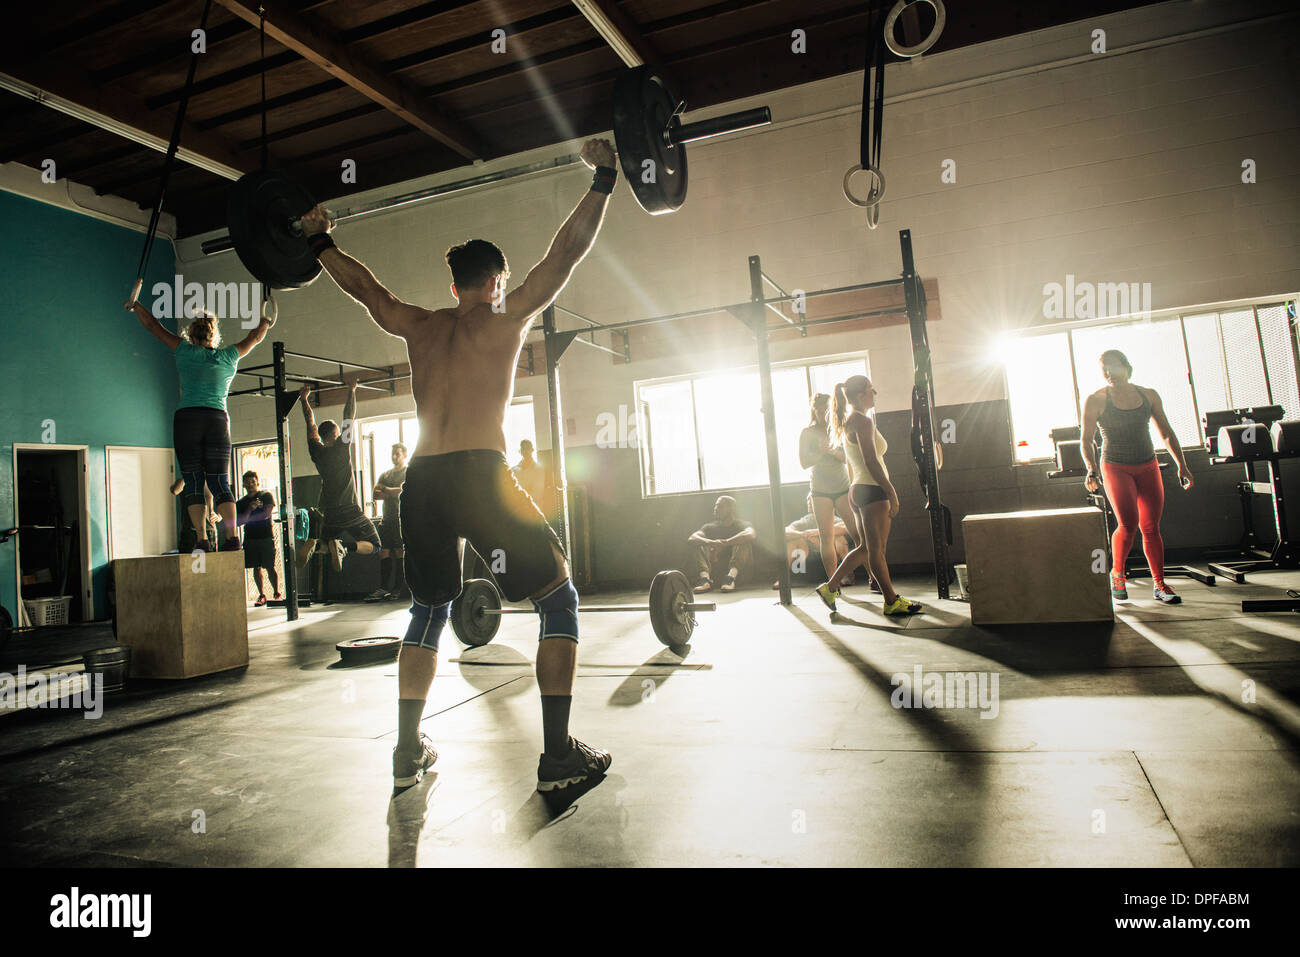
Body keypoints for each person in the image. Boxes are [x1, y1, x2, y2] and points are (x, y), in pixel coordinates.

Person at [296, 137, 618, 792]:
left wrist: (318, 240)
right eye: (503, 282)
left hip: (421, 480)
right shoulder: (506, 320)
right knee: (559, 598)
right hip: (479, 471)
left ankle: (407, 749)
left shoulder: (419, 324)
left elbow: (366, 290)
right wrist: (605, 177)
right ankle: (558, 757)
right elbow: (565, 254)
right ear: (496, 281)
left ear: (452, 285)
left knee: (428, 609)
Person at [127, 299, 272, 550]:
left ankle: (202, 540)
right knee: (219, 481)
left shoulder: (183, 351)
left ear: (191, 335)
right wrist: (266, 320)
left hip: (188, 419)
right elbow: (256, 337)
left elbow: (153, 326)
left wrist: (136, 306)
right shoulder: (228, 355)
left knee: (193, 481)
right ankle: (232, 538)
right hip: (217, 419)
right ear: (213, 335)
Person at [1081, 349, 1193, 603]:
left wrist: (1182, 465)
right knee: (1128, 524)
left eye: (1113, 366)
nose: (1109, 372)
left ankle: (1160, 585)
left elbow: (1166, 432)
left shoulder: (1148, 395)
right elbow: (1086, 440)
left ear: (1125, 366)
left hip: (1147, 464)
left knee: (1151, 527)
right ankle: (1117, 574)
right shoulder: (1096, 399)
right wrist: (1091, 468)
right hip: (1115, 466)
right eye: (1104, 368)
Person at [816, 375, 921, 616]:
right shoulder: (862, 422)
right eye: (872, 390)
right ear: (862, 394)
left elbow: (859, 464)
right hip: (871, 490)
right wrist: (890, 490)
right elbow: (871, 461)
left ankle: (830, 587)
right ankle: (891, 600)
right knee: (876, 550)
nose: (875, 393)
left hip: (859, 489)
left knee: (866, 548)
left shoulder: (850, 421)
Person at [298, 381, 381, 571]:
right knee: (375, 545)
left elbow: (310, 423)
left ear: (321, 436)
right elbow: (349, 416)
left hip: (330, 511)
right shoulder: (342, 449)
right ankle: (345, 547)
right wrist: (352, 390)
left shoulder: (316, 451)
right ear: (335, 435)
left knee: (327, 544)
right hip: (350, 509)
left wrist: (304, 400)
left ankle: (316, 544)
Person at [800, 392, 875, 590]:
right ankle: (833, 585)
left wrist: (832, 451)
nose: (824, 412)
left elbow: (848, 458)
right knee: (826, 537)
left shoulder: (840, 428)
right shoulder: (807, 433)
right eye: (820, 408)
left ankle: (873, 577)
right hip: (820, 491)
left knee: (858, 535)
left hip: (842, 488)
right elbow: (803, 463)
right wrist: (819, 452)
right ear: (814, 410)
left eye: (827, 408)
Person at [780, 493, 853, 588]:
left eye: (812, 500)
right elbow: (785, 531)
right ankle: (785, 578)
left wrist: (816, 532)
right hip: (808, 553)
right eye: (808, 501)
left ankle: (846, 575)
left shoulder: (831, 518)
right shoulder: (806, 520)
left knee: (839, 539)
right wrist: (803, 534)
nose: (809, 503)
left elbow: (845, 527)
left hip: (832, 553)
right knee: (792, 542)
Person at [689, 496, 757, 593]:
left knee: (743, 541)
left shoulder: (743, 525)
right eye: (715, 506)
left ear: (731, 509)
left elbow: (751, 534)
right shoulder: (709, 527)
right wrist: (711, 542)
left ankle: (730, 578)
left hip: (740, 575)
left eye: (720, 506)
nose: (715, 509)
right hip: (716, 573)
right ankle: (705, 580)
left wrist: (725, 543)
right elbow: (692, 538)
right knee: (698, 543)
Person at [369, 443, 409, 602]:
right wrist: (393, 491)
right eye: (393, 454)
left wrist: (386, 490)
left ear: (404, 455)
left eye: (397, 454)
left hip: (401, 519)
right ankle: (384, 588)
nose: (394, 457)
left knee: (400, 552)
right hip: (386, 520)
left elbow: (403, 491)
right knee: (383, 552)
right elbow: (375, 494)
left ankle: (398, 589)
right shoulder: (385, 475)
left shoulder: (408, 473)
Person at [236, 471, 281, 606]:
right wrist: (250, 509)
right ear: (243, 484)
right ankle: (262, 595)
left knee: (270, 566)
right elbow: (238, 522)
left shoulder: (266, 495)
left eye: (252, 481)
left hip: (266, 536)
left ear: (257, 482)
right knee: (256, 567)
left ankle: (277, 593)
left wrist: (247, 518)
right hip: (250, 538)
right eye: (247, 482)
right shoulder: (241, 503)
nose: (250, 484)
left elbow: (266, 514)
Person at [512, 439, 548, 509]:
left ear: (532, 450)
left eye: (527, 448)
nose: (525, 451)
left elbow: (538, 493)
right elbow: (512, 492)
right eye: (523, 448)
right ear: (520, 451)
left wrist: (521, 499)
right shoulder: (514, 470)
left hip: (534, 509)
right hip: (518, 510)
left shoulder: (539, 469)